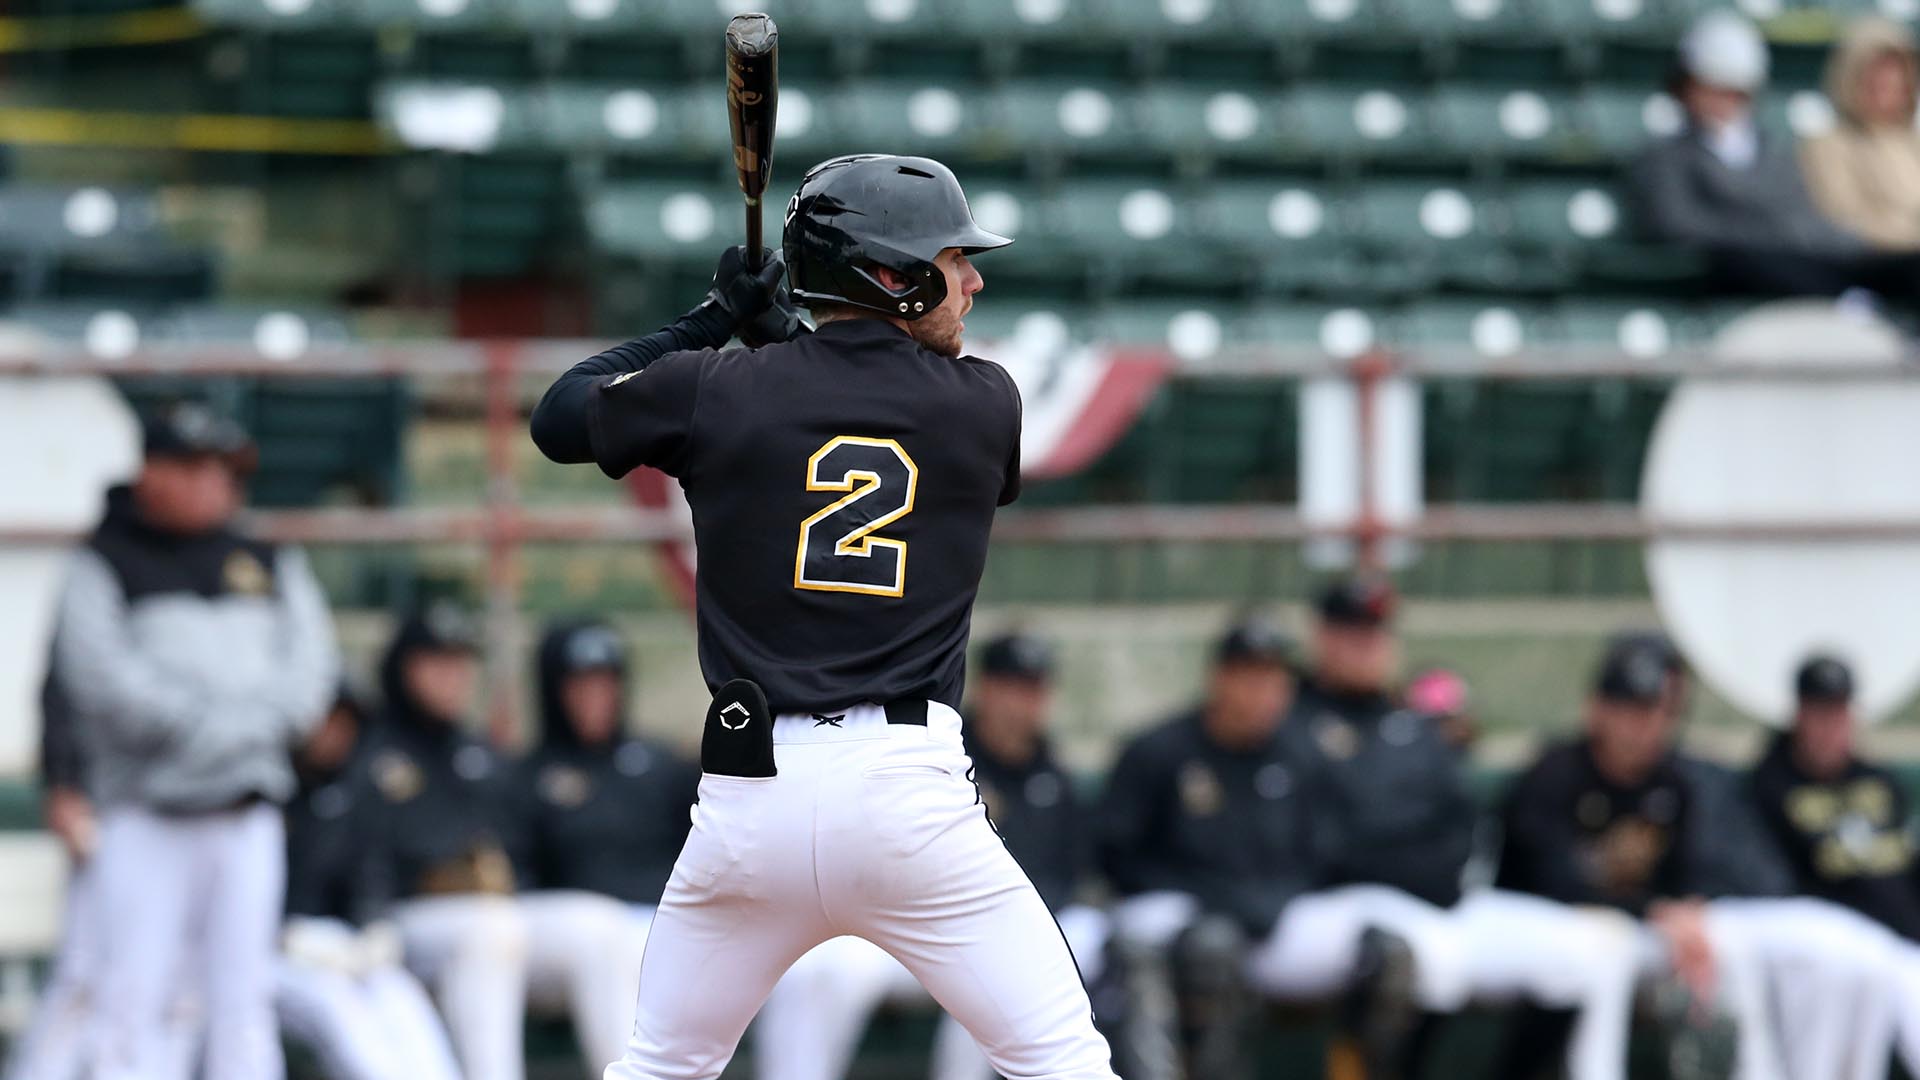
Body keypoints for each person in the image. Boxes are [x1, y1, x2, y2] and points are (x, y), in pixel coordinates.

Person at [531, 153, 1117, 1080]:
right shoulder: (983, 404)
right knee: (1063, 1062)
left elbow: (561, 417)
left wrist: (712, 323)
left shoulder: (714, 389)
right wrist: (772, 333)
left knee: (661, 1066)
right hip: (907, 799)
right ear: (890, 273)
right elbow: (848, 398)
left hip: (750, 803)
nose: (972, 282)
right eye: (952, 260)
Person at [48, 402, 339, 1080]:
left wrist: (234, 733)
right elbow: (102, 683)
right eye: (199, 467)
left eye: (222, 469)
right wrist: (228, 732)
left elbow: (311, 673)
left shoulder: (265, 554)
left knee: (245, 1006)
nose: (218, 483)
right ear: (153, 472)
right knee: (130, 1001)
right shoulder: (103, 560)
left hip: (246, 812)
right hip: (146, 813)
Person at [1498, 636, 1894, 1080]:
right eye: (1633, 711)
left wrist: (1684, 918)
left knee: (1719, 946)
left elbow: (1684, 877)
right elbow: (1554, 882)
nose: (1647, 726)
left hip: (1635, 927)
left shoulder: (1671, 783)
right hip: (1538, 924)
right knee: (1605, 954)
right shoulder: (1555, 774)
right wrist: (1657, 911)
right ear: (1598, 709)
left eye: (1659, 712)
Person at [1288, 580, 1639, 1080]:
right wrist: (1398, 851)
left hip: (1438, 900)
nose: (1368, 645)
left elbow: (1454, 835)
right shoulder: (1292, 721)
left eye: (1377, 631)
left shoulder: (1412, 727)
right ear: (1322, 635)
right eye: (1353, 630)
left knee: (1587, 952)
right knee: (1415, 956)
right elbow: (1323, 839)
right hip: (1335, 906)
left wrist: (1394, 851)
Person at [753, 631, 1110, 1080]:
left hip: (991, 934)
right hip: (895, 927)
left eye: (1032, 689)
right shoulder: (937, 752)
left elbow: (1067, 878)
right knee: (822, 972)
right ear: (985, 688)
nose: (1022, 703)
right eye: (1011, 687)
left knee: (1019, 965)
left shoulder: (1055, 780)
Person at [364, 604, 641, 1080]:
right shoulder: (375, 750)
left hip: (492, 912)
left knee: (603, 925)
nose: (452, 677)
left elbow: (517, 848)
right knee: (491, 932)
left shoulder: (478, 753)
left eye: (460, 663)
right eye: (436, 663)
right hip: (398, 919)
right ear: (404, 669)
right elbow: (366, 857)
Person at [1628, 10, 1920, 301]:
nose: (1723, 102)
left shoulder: (1773, 153)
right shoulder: (1662, 157)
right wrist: (1761, 234)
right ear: (1685, 89)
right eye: (1711, 89)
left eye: (1735, 93)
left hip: (1796, 262)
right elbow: (1677, 224)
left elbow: (1803, 220)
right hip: (1734, 270)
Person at [519, 618, 698, 1070]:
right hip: (570, 938)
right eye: (580, 684)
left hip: (659, 925)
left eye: (605, 682)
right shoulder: (526, 776)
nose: (595, 697)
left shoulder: (659, 765)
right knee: (608, 937)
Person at [277, 685, 463, 1080]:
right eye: (325, 722)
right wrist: (283, 935)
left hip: (337, 942)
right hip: (271, 954)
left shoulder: (355, 794)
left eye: (343, 723)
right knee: (334, 1004)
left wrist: (374, 926)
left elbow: (368, 876)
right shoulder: (270, 795)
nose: (333, 734)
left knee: (397, 992)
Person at [1801, 17, 1920, 252]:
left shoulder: (1913, 143)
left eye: (1895, 74)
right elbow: (1844, 221)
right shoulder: (1827, 147)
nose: (1886, 83)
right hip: (1876, 263)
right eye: (1875, 75)